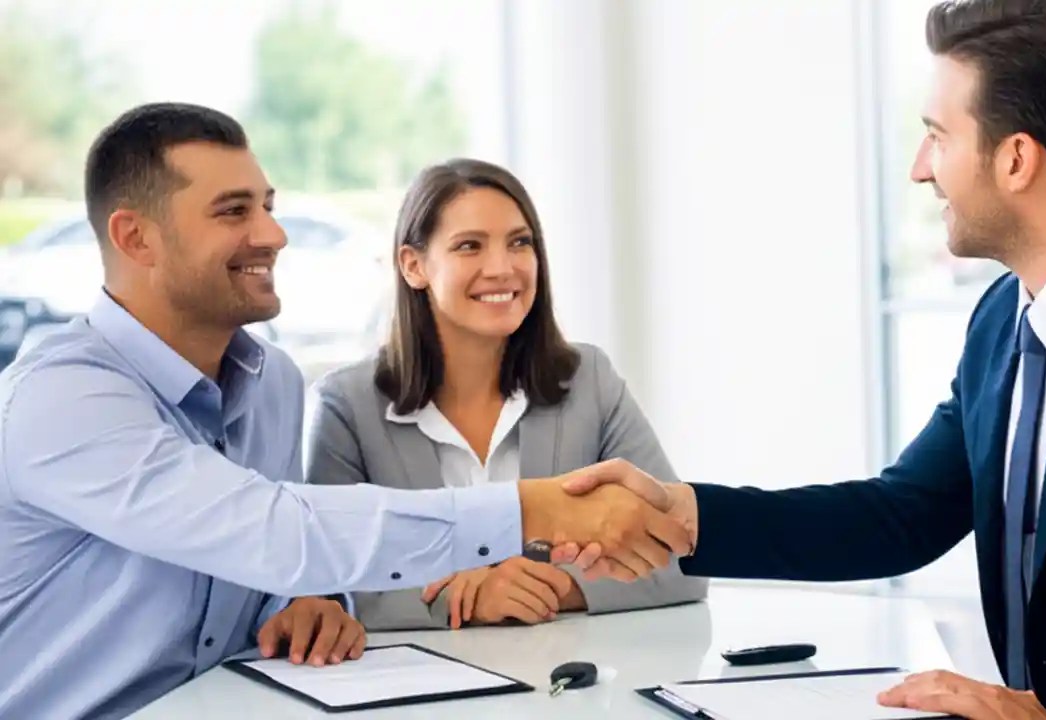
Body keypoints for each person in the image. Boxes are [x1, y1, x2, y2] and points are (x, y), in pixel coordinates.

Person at [565, 1, 1046, 717]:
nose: (919, 169)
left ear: (1016, 159)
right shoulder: (1001, 320)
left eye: (937, 136)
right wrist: (685, 514)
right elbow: (901, 514)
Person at [0, 103, 690, 720]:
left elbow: (276, 580)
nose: (274, 233)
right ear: (135, 238)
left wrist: (304, 609)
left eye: (268, 204)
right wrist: (532, 511)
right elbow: (276, 534)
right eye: (234, 211)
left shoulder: (270, 384)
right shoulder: (63, 398)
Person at [305, 159, 707, 630]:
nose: (502, 268)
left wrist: (552, 587)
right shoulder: (347, 405)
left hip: (565, 688)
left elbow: (681, 555)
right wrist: (467, 599)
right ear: (413, 266)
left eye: (520, 243)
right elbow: (324, 585)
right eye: (469, 246)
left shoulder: (589, 381)